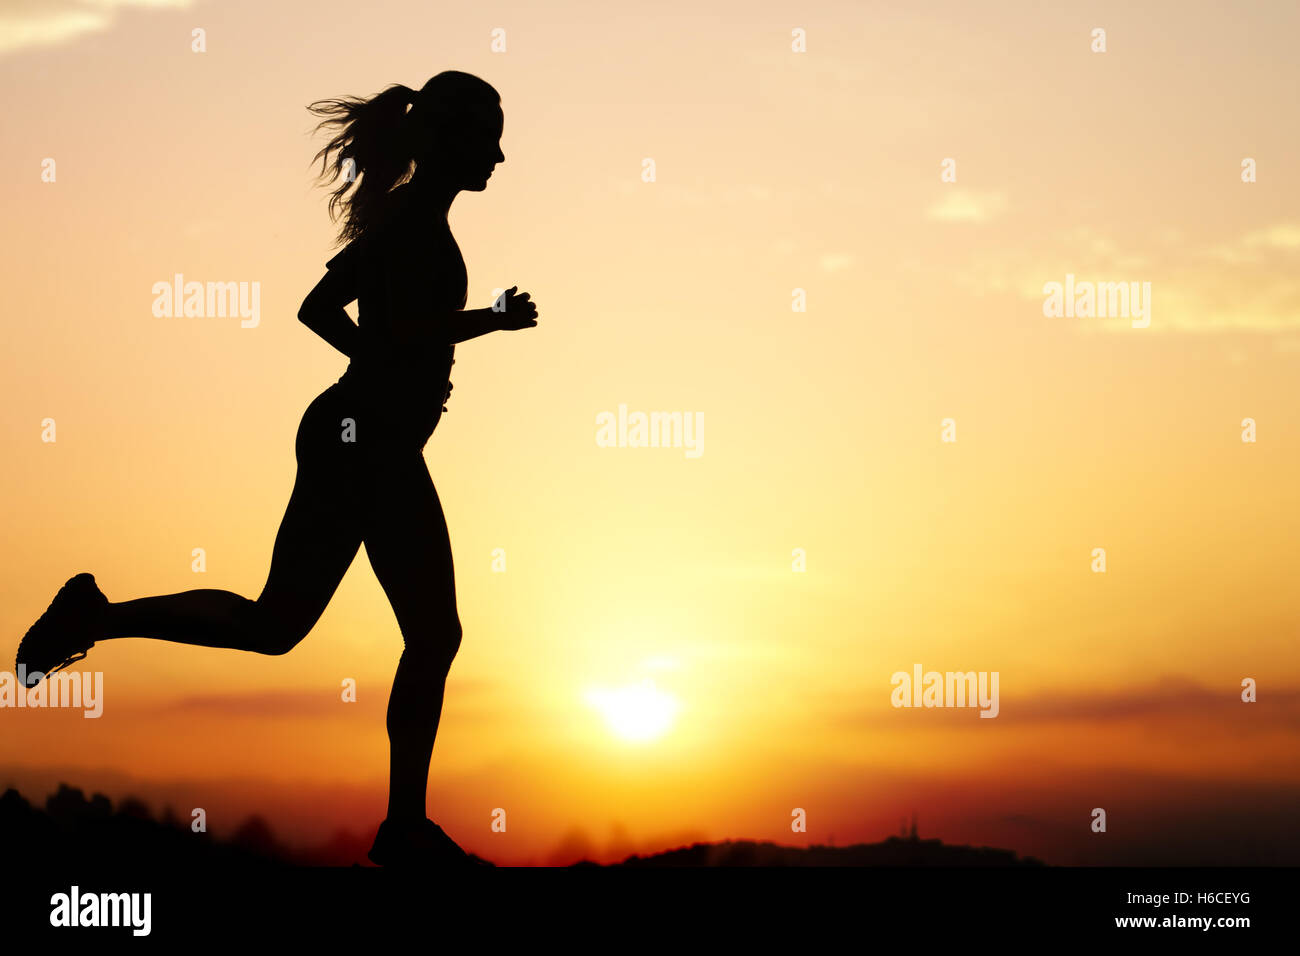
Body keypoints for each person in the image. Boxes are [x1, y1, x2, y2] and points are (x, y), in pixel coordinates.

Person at [14, 71, 537, 867]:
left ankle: (94, 617)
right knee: (429, 634)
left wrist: (390, 369)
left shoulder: (407, 222)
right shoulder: (415, 231)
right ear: (446, 141)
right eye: (487, 136)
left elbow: (321, 311)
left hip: (359, 436)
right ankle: (403, 830)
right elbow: (388, 327)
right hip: (366, 445)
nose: (500, 154)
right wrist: (482, 324)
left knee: (279, 626)